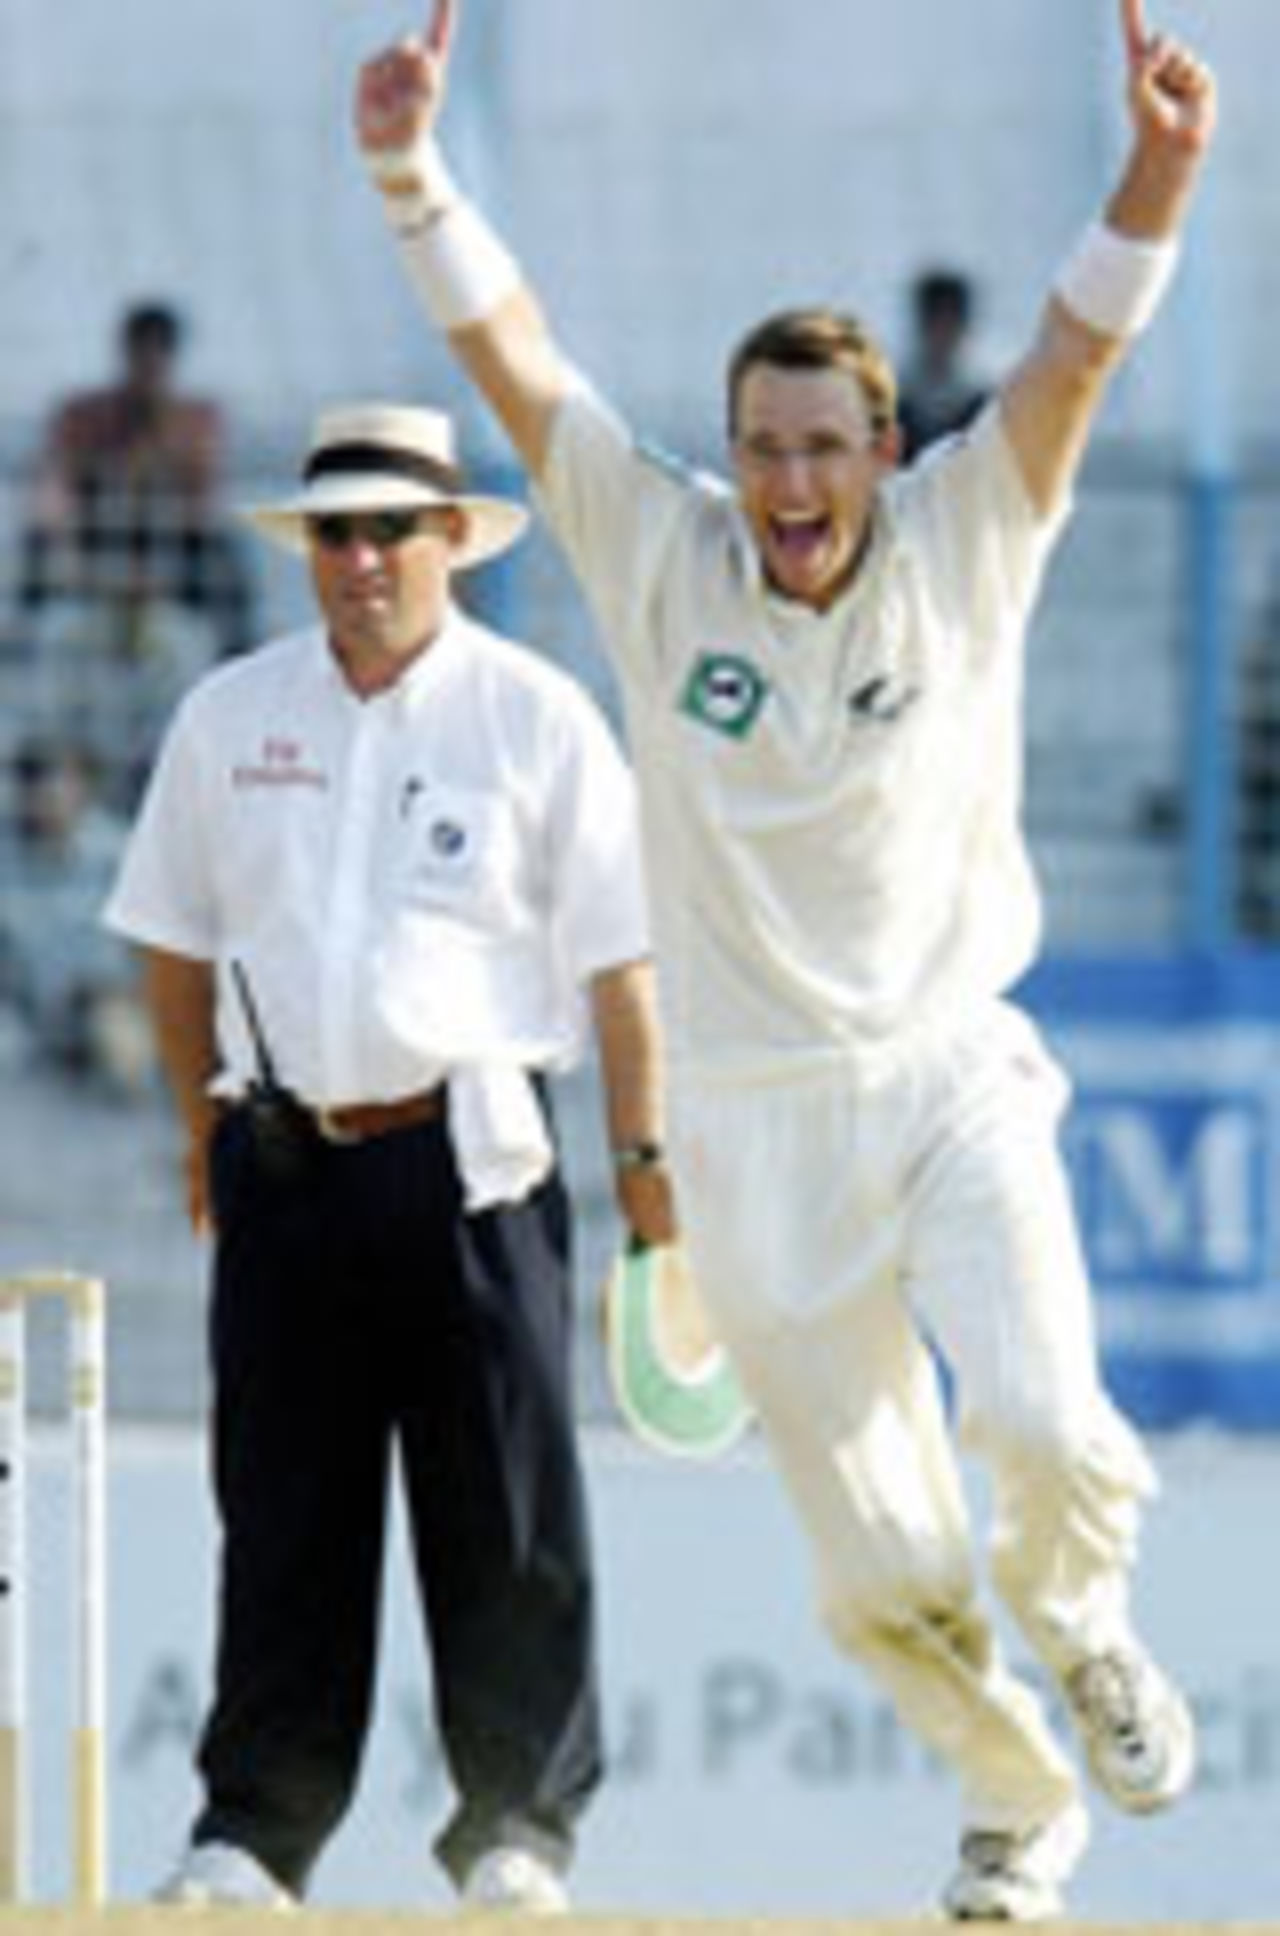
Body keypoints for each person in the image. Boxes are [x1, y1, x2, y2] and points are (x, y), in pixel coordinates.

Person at [353, 0, 1215, 1919]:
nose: (793, 484)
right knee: (880, 1571)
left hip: (946, 1073)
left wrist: (1155, 178)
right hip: (749, 1125)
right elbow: (517, 366)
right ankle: (1016, 1807)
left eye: (825, 447)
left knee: (1051, 1425)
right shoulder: (660, 550)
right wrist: (413, 174)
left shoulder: (967, 531)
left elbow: (1071, 366)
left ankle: (1088, 1634)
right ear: (730, 452)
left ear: (882, 446)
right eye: (763, 449)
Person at [103, 400, 674, 1913]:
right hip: (282, 1151)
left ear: (453, 546)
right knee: (283, 1504)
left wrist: (648, 1161)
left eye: (391, 530)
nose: (360, 559)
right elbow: (169, 942)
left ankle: (519, 1829)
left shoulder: (538, 716)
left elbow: (623, 968)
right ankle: (254, 1834)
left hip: (474, 1152)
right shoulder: (231, 713)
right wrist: (194, 1130)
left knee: (507, 1506)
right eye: (334, 533)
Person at [18, 301, 256, 800]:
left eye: (157, 356)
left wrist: (154, 576)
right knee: (34, 551)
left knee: (227, 562)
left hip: (166, 570)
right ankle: (18, 655)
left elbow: (204, 512)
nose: (146, 368)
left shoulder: (194, 423)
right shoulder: (83, 418)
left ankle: (241, 683)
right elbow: (53, 502)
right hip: (90, 560)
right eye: (138, 353)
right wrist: (81, 566)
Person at [0, 735, 152, 1092]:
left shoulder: (120, 852)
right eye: (33, 784)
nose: (45, 798)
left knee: (125, 1046)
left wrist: (125, 993)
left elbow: (156, 948)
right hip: (26, 1008)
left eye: (58, 783)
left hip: (109, 1003)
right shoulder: (6, 857)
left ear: (83, 787)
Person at [897, 267, 991, 462]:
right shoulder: (892, 405)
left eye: (950, 323)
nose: (943, 333)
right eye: (936, 322)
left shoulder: (982, 410)